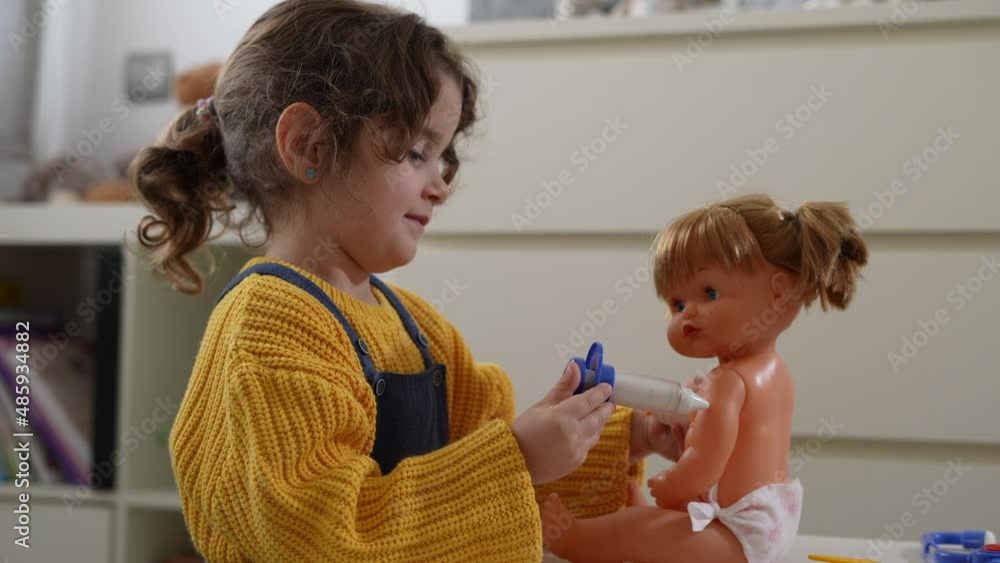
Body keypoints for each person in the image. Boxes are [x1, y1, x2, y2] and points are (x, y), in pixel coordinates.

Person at [130, 1, 680, 561]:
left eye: (444, 158)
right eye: (417, 152)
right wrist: (517, 456)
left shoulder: (416, 328)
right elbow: (323, 537)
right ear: (308, 146)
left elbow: (498, 499)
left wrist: (607, 440)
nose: (441, 185)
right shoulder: (266, 331)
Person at [541, 193, 868, 563]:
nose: (687, 315)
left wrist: (671, 489)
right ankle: (654, 523)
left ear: (779, 291)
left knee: (632, 532)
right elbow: (739, 454)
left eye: (709, 293)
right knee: (656, 526)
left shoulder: (728, 381)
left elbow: (706, 462)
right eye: (677, 305)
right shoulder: (775, 371)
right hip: (771, 522)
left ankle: (574, 537)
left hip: (734, 535)